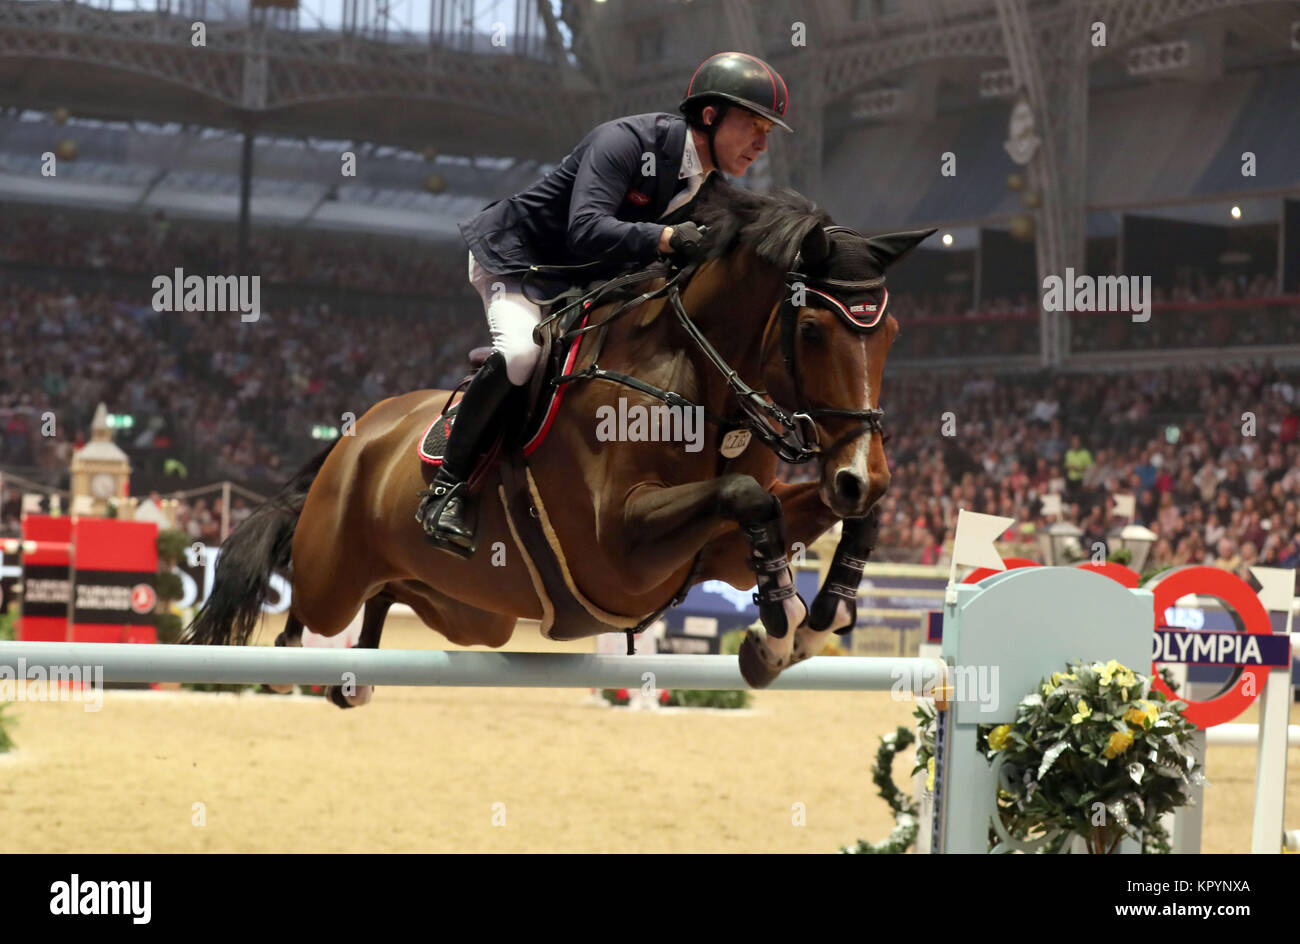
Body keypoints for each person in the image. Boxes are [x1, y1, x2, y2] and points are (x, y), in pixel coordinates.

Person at [417, 51, 792, 556]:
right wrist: (664, 237)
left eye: (768, 132)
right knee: (523, 355)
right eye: (754, 126)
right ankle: (448, 490)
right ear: (710, 115)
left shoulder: (710, 187)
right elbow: (586, 227)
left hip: (587, 280)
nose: (762, 145)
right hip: (519, 264)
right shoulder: (625, 142)